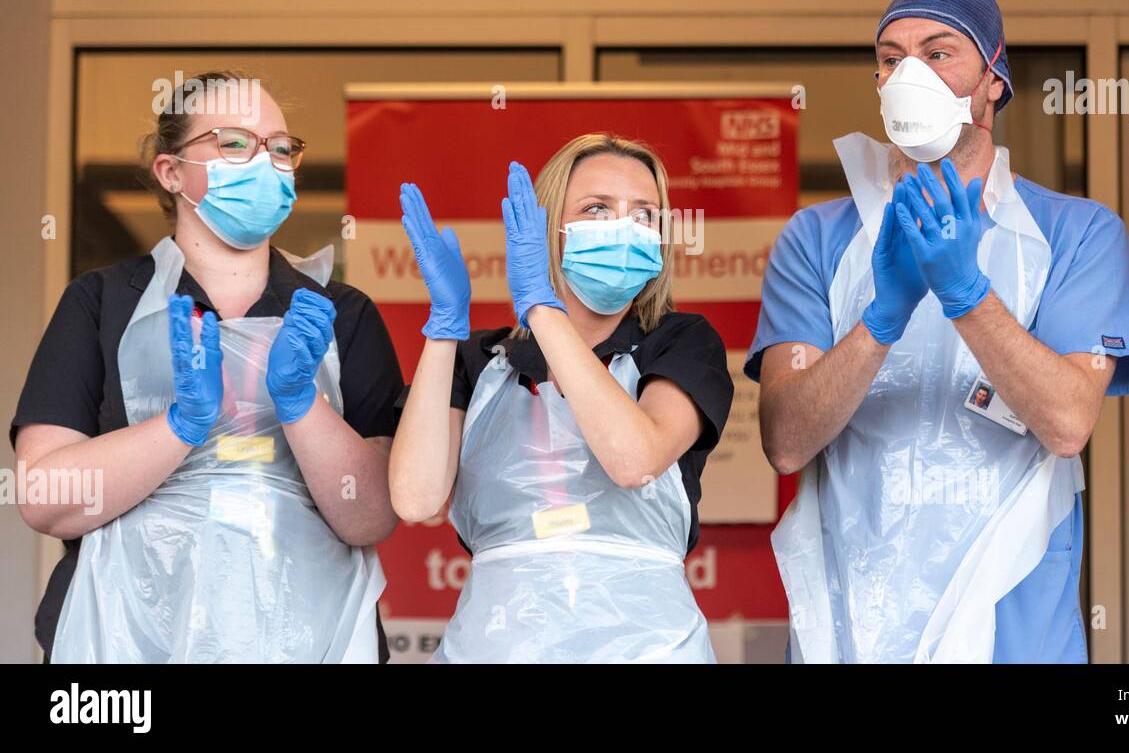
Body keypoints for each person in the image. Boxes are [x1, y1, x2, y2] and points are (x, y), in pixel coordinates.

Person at [747, 0, 1129, 663]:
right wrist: (882, 318)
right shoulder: (816, 239)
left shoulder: (1076, 234)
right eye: (891, 58)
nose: (910, 73)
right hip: (851, 628)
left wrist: (968, 295)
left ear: (994, 78)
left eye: (939, 53)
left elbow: (1067, 422)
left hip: (1013, 627)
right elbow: (786, 441)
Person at [11, 71, 403, 662]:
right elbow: (46, 497)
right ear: (172, 173)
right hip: (125, 643)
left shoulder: (337, 315)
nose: (265, 162)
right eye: (235, 143)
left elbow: (370, 515)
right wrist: (180, 426)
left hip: (308, 641)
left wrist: (301, 405)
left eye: (279, 147)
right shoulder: (102, 304)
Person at [389, 134, 733, 662]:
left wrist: (541, 309)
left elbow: (634, 460)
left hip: (646, 649)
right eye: (597, 208)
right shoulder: (482, 360)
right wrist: (443, 330)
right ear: (549, 231)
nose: (623, 227)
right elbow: (415, 498)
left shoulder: (682, 340)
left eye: (644, 215)